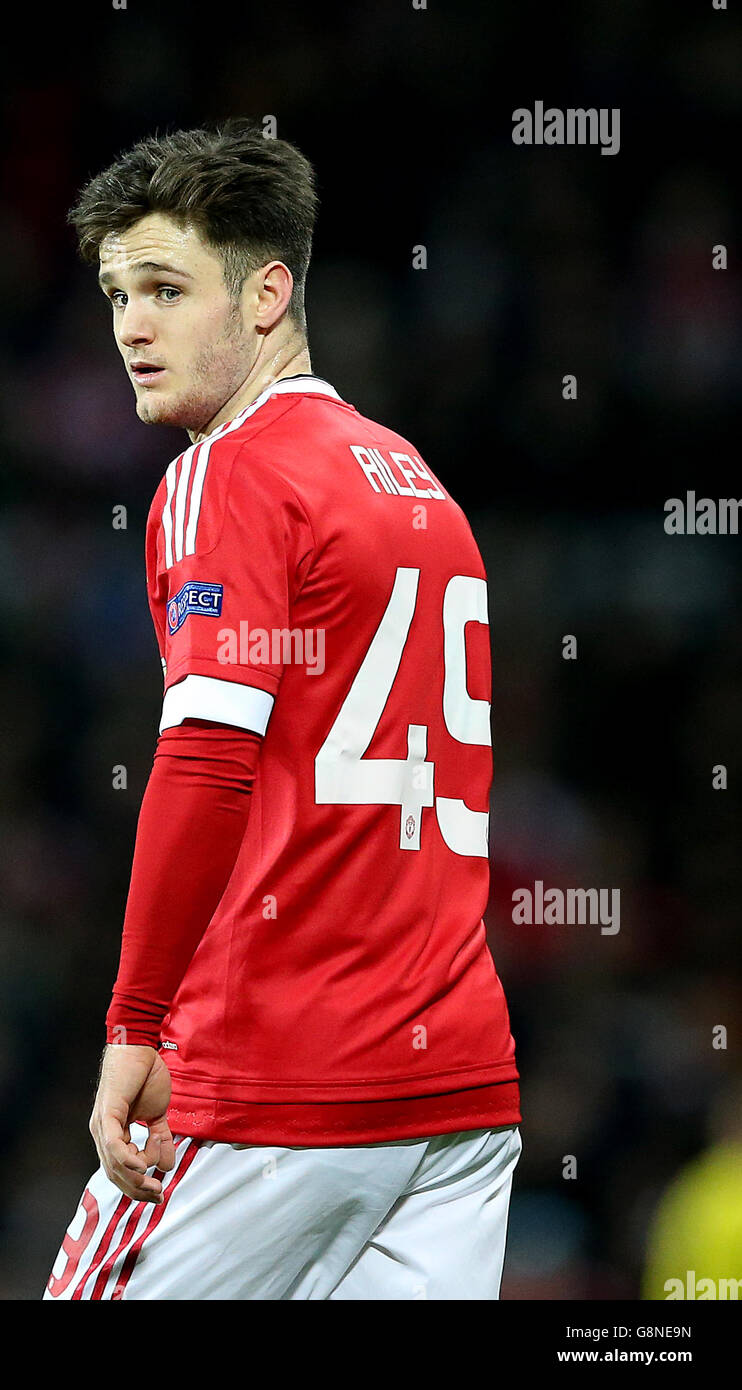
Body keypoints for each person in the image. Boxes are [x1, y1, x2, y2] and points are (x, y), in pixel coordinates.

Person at [42, 118, 521, 1301]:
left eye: (165, 287)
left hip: (278, 1078)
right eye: (116, 294)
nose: (132, 328)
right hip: (456, 1085)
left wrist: (134, 1021)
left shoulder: (230, 471)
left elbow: (207, 762)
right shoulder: (416, 481)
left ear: (267, 294)